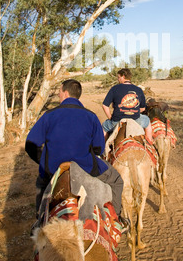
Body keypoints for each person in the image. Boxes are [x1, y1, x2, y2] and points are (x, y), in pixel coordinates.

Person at [25, 79, 126, 228]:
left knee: (42, 183)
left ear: (65, 93)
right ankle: (116, 221)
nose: (59, 95)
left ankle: (39, 221)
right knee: (117, 180)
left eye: (59, 92)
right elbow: (98, 148)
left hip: (53, 167)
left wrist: (43, 160)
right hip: (85, 166)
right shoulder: (91, 116)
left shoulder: (49, 115)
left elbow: (30, 145)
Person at [102, 68, 153, 142]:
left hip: (117, 120)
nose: (118, 79)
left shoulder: (114, 89)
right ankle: (149, 143)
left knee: (104, 127)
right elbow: (142, 109)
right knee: (147, 122)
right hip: (136, 120)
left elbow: (104, 105)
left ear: (123, 76)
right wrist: (132, 110)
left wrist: (110, 117)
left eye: (118, 77)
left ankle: (103, 150)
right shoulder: (138, 90)